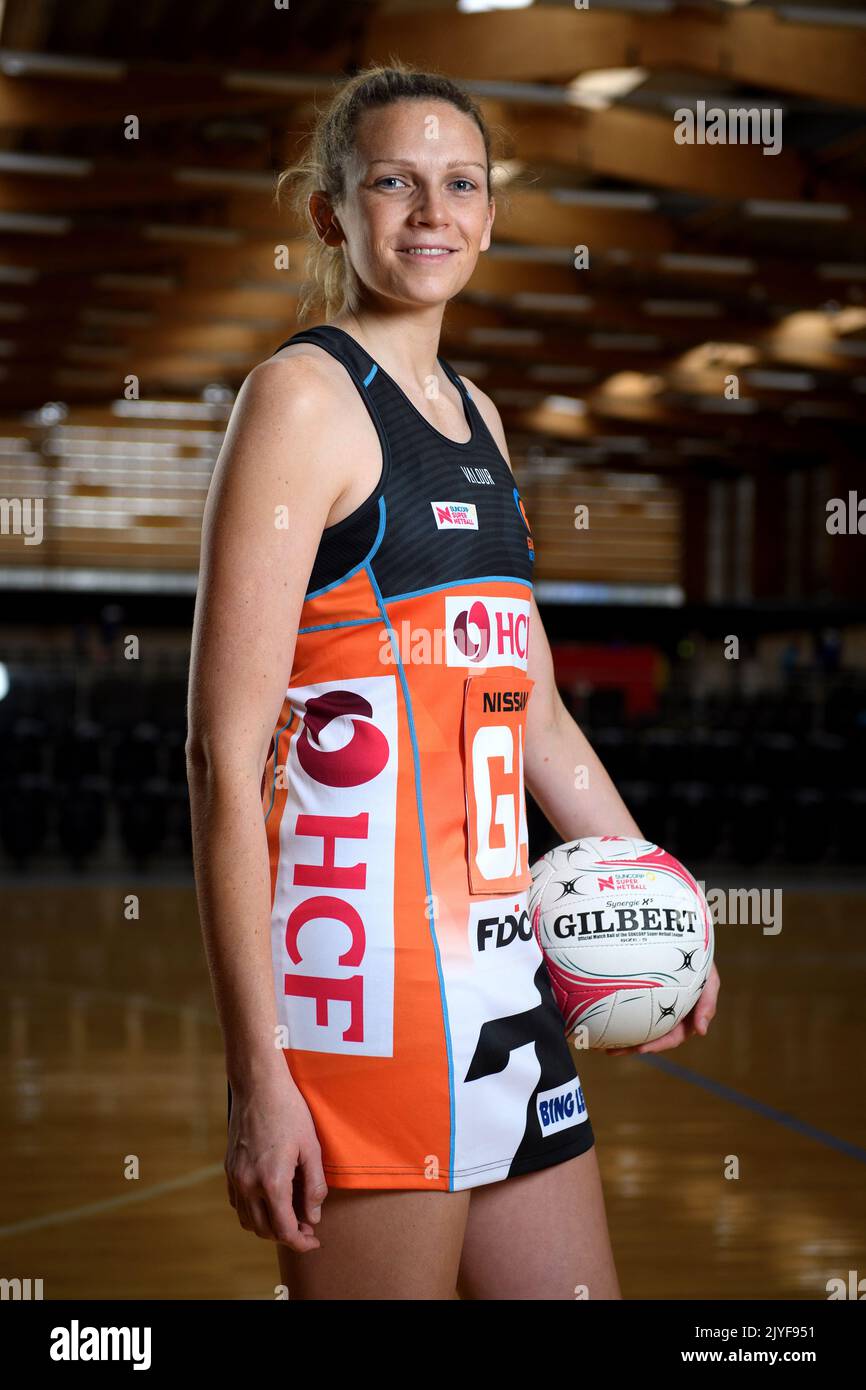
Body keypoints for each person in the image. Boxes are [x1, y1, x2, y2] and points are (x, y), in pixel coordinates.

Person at [186, 61, 720, 1301]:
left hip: (505, 983)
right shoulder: (301, 399)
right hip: (365, 994)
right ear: (332, 212)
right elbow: (221, 754)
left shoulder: (476, 413)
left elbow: (528, 705)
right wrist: (259, 1072)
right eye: (393, 182)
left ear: (488, 213)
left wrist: (663, 906)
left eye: (459, 183)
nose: (431, 212)